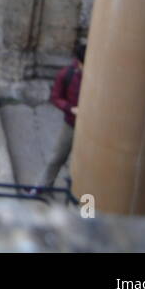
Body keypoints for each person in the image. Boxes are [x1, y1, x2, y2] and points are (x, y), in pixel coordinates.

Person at [41, 43, 84, 189]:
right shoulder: (67, 74)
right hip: (71, 124)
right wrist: (70, 109)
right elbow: (55, 97)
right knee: (57, 157)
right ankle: (43, 187)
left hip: (90, 127)